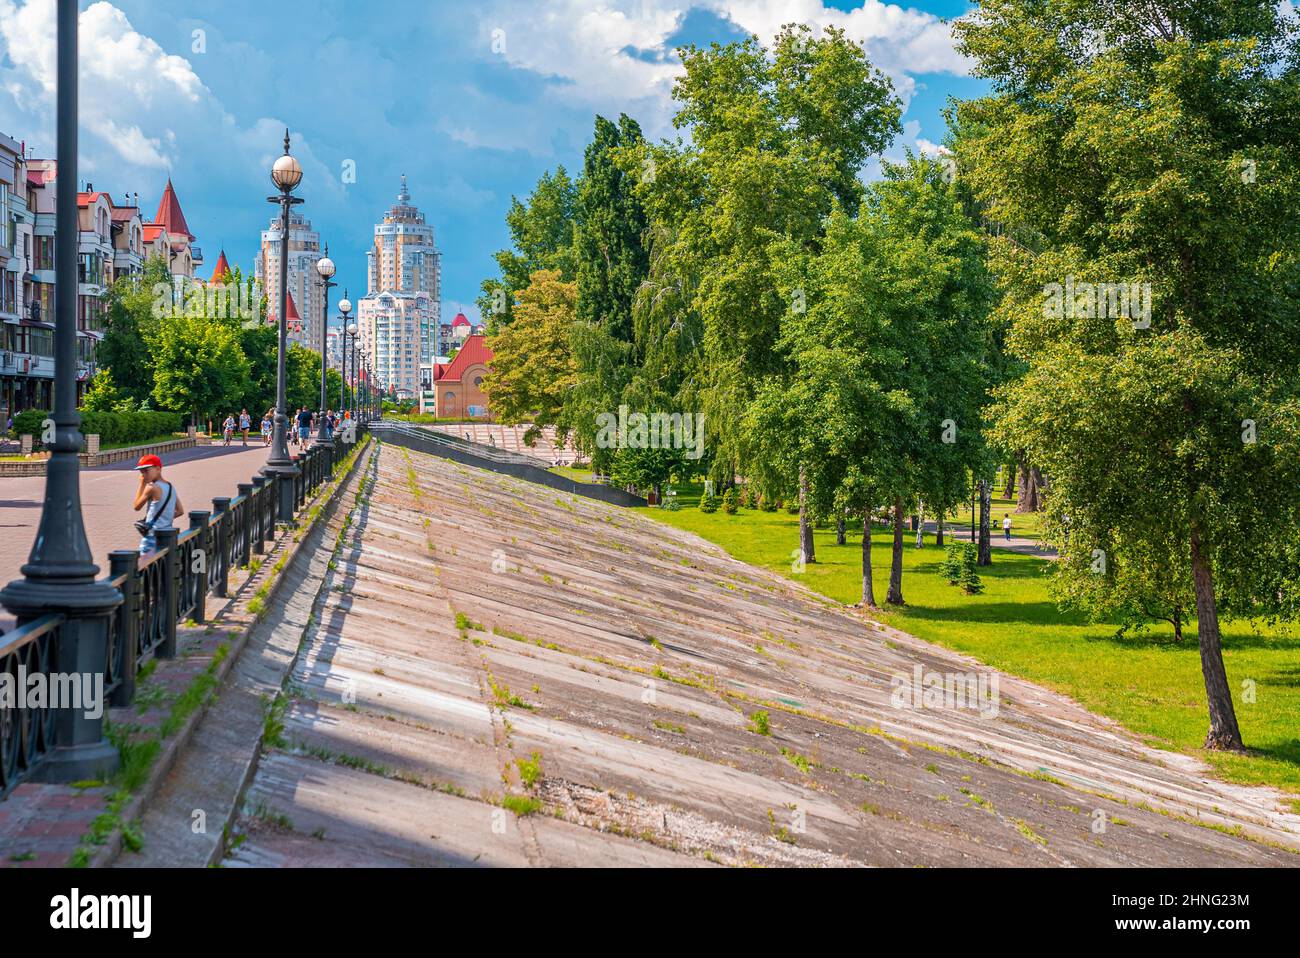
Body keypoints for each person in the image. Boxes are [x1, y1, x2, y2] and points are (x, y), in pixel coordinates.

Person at [133, 454, 183, 554]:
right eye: (141, 472)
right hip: (167, 536)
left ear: (158, 469)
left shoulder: (152, 487)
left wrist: (142, 484)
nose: (143, 475)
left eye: (146, 471)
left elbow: (136, 506)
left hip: (152, 539)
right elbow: (180, 511)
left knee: (144, 567)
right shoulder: (170, 486)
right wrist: (164, 519)